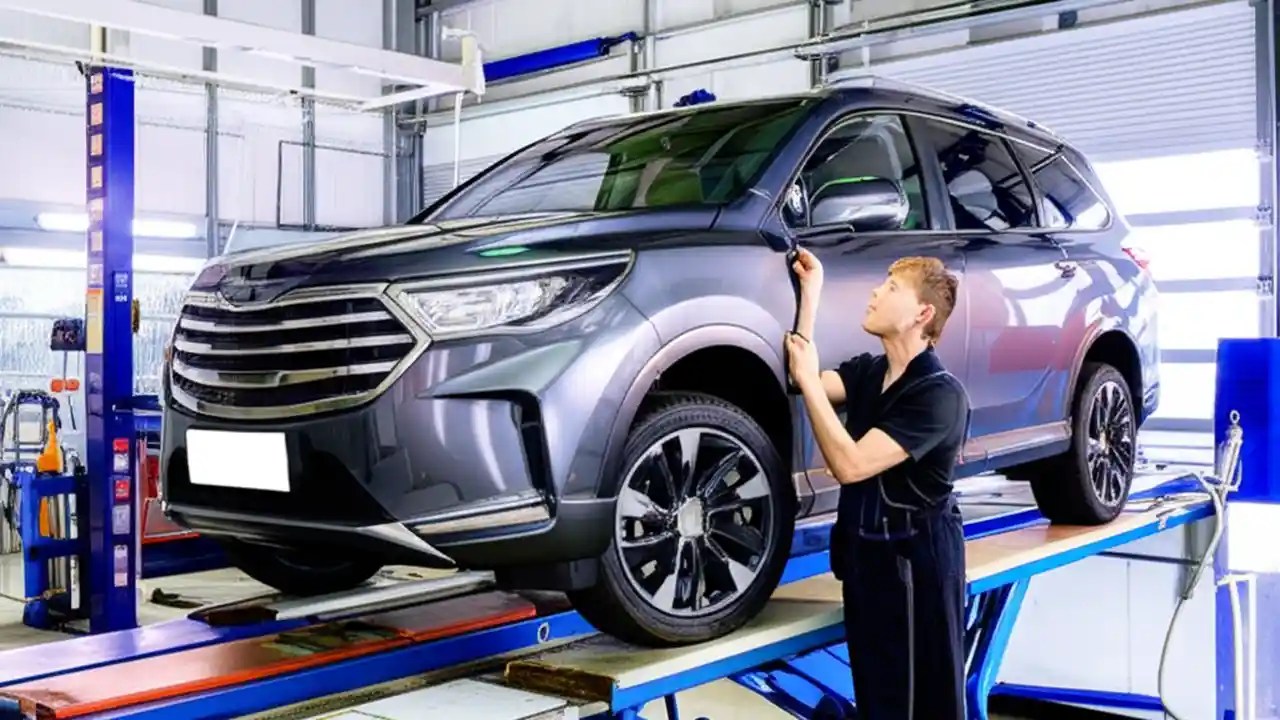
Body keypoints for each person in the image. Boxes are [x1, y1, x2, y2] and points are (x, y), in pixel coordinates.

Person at [784, 248, 971, 720]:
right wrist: (811, 294)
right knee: (880, 701)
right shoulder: (870, 372)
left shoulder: (939, 395)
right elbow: (801, 379)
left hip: (920, 566)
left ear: (922, 314)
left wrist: (808, 381)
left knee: (926, 703)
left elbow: (849, 464)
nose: (875, 291)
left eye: (891, 288)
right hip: (870, 565)